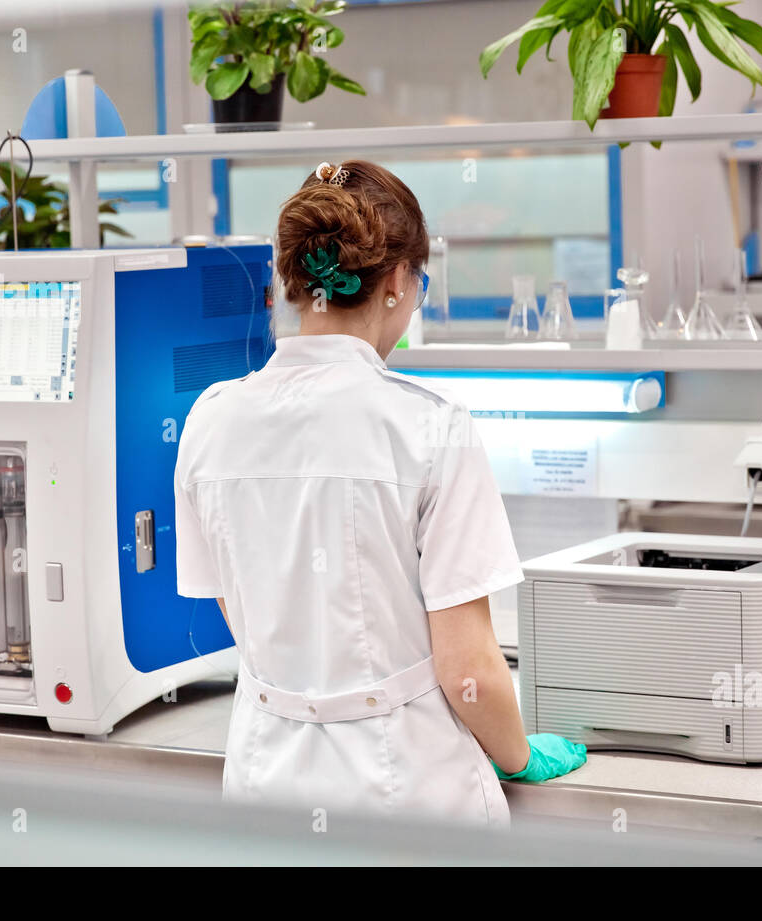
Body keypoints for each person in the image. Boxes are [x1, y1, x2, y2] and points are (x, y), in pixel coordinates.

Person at [174, 160, 584, 827]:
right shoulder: (429, 425)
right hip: (408, 789)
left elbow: (245, 617)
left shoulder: (210, 420)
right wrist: (516, 755)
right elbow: (468, 665)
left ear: (291, 280)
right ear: (397, 283)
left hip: (263, 778)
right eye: (419, 283)